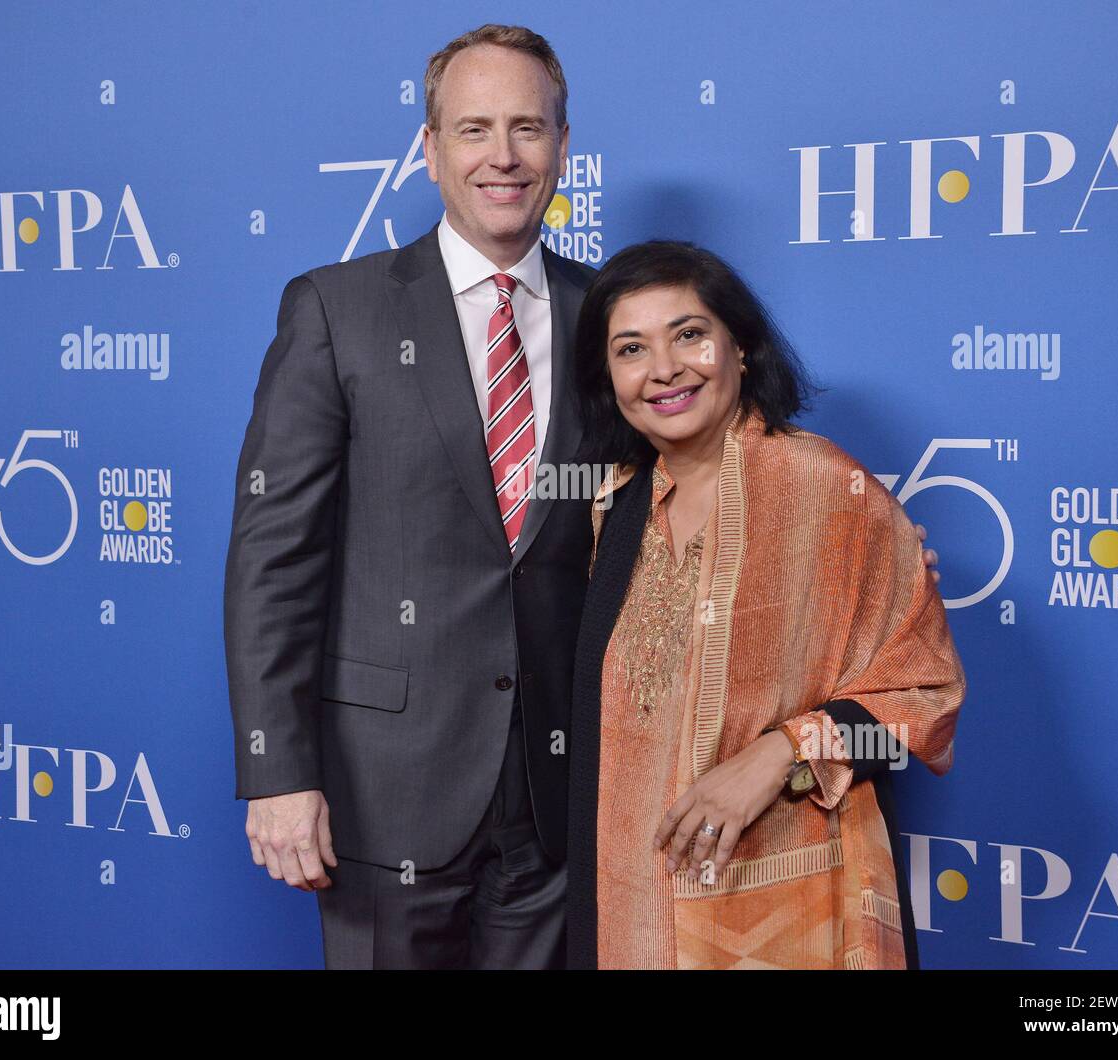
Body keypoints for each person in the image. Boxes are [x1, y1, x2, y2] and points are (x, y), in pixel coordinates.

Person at [224, 23, 939, 970]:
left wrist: (868, 550)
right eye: (473, 129)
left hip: (573, 797)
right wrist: (279, 774)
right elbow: (274, 556)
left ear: (564, 145)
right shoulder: (337, 310)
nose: (503, 155)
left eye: (529, 126)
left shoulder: (612, 314)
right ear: (430, 151)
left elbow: (701, 491)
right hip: (385, 789)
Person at [565, 240, 966, 969]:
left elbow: (925, 703)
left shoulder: (826, 488)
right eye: (631, 349)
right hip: (630, 909)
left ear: (740, 347)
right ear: (609, 377)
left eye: (689, 335)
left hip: (786, 905)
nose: (664, 369)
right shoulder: (613, 505)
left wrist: (782, 755)